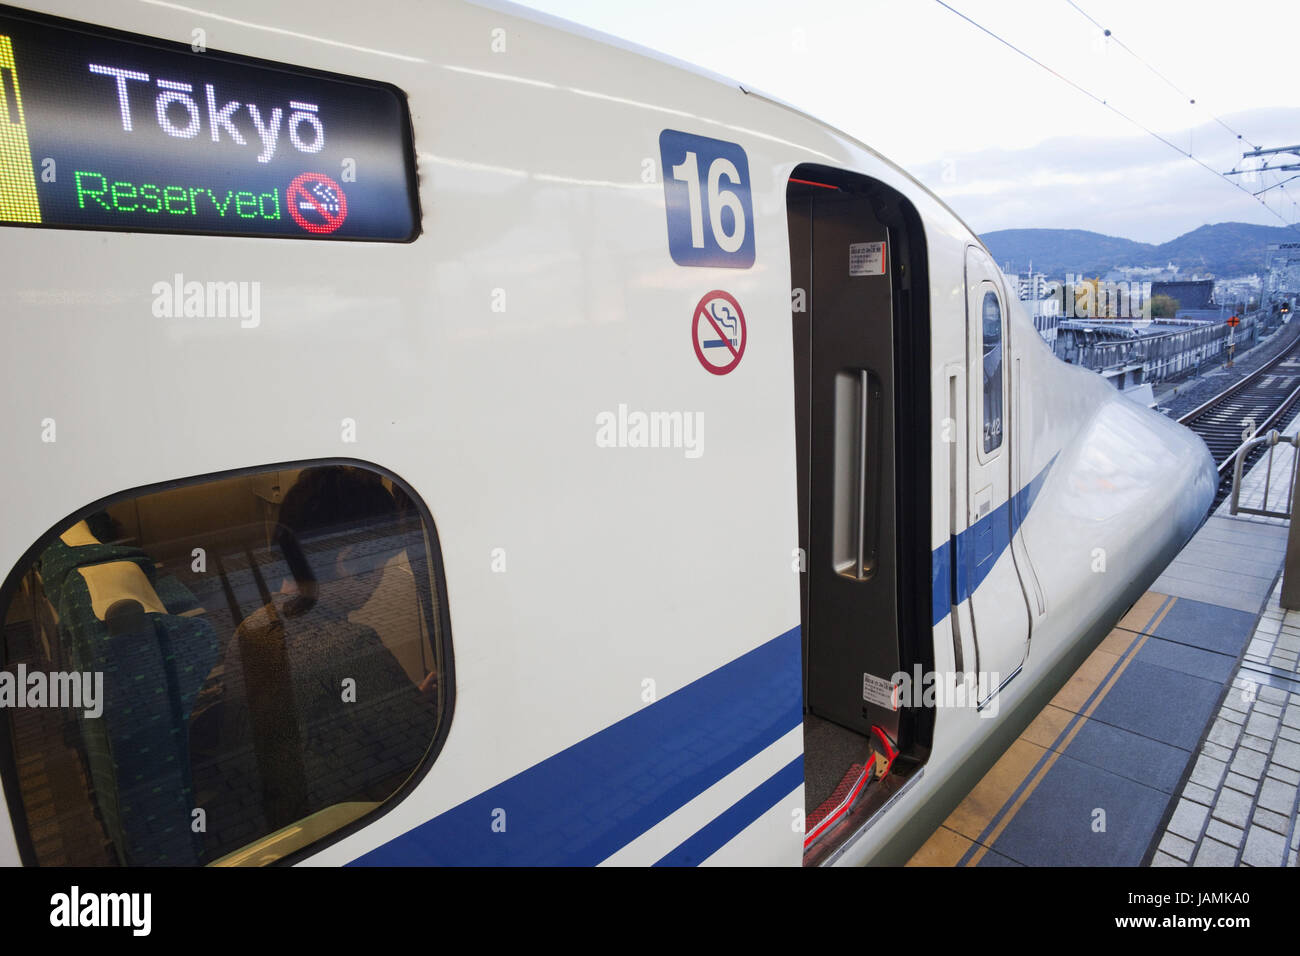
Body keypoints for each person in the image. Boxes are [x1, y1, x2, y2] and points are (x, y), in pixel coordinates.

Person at [190, 467, 439, 855]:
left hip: (270, 825)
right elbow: (424, 752)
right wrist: (417, 707)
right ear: (350, 560)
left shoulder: (251, 630)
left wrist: (404, 700)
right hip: (343, 828)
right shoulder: (354, 648)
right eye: (382, 562)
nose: (379, 580)